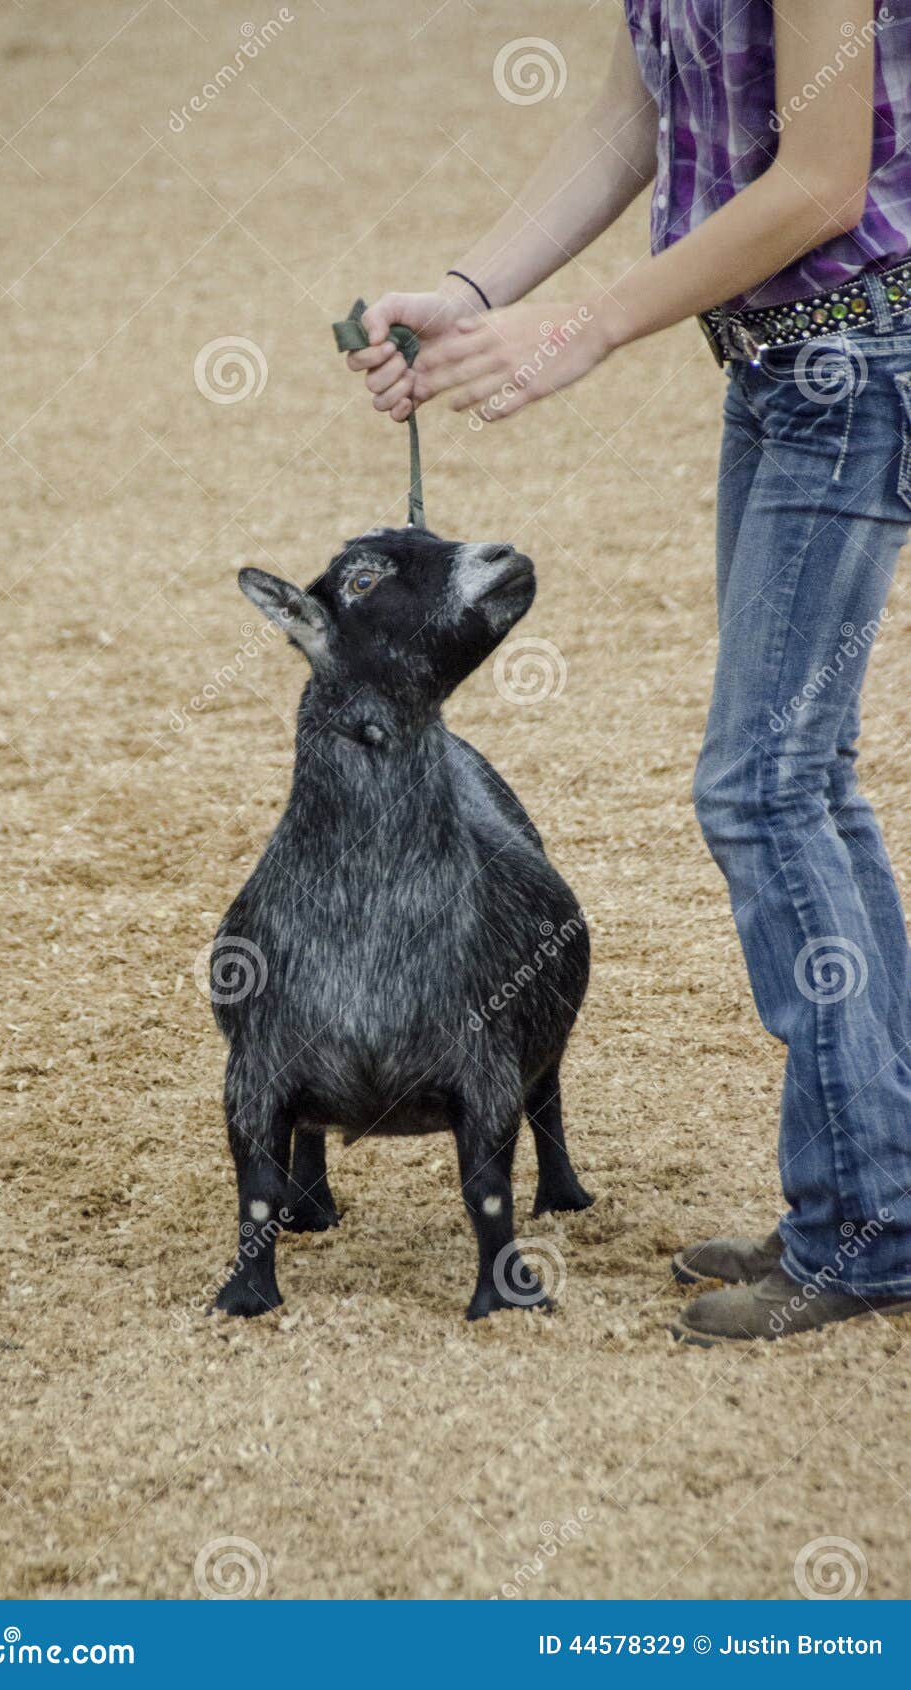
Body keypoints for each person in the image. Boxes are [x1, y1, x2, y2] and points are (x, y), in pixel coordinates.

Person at [346, 0, 911, 1343]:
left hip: (859, 359)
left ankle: (871, 1220)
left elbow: (821, 185)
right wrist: (475, 291)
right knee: (801, 784)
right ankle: (879, 1186)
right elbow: (632, 118)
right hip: (781, 367)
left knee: (766, 788)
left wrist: (585, 329)